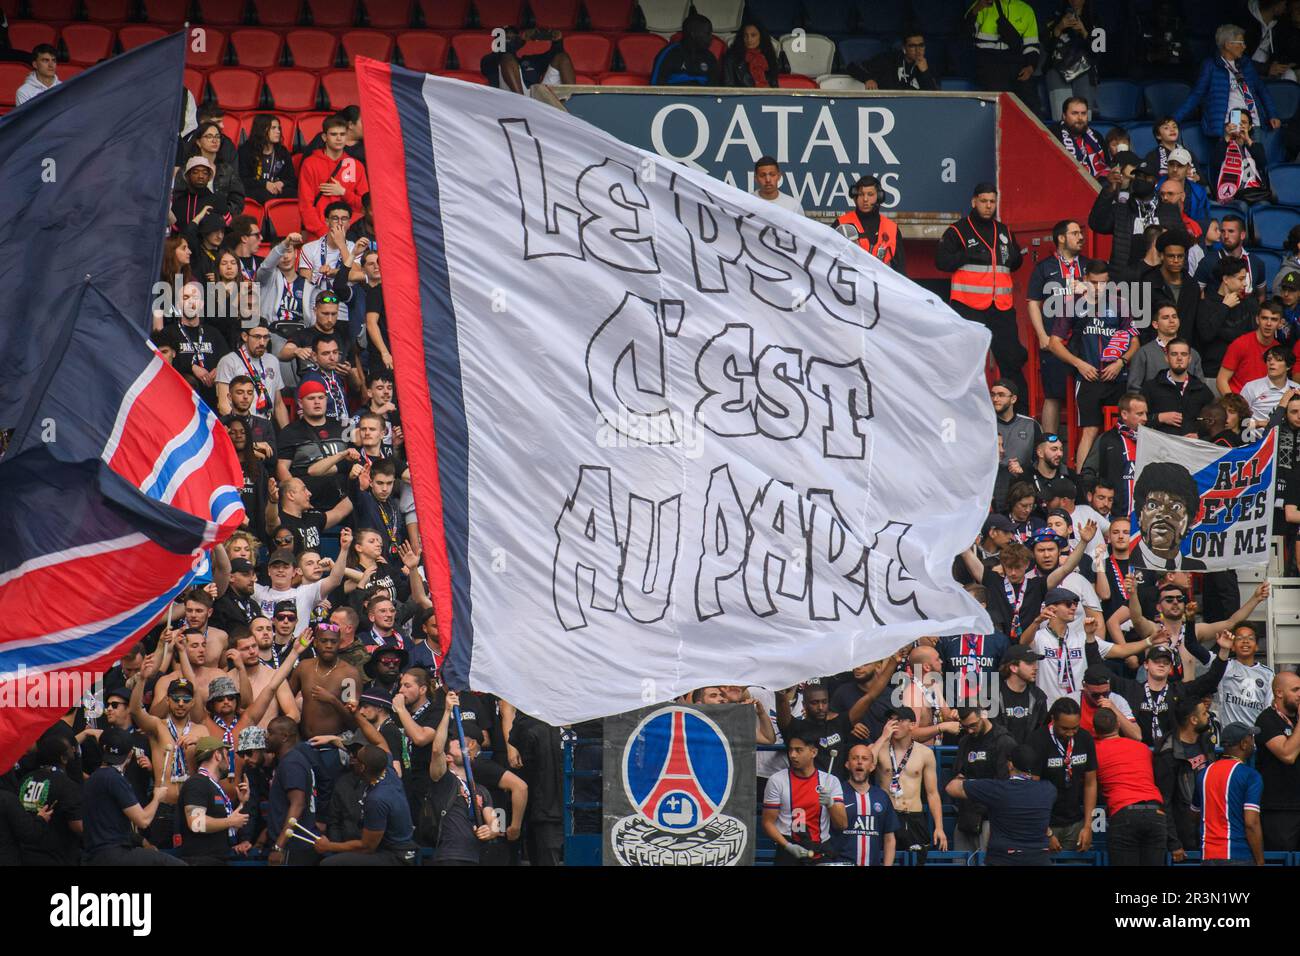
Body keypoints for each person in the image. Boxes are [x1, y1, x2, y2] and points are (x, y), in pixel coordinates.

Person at [936, 182, 1026, 396]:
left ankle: (1018, 411)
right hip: (968, 306)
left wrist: (1013, 257)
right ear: (973, 202)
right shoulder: (958, 230)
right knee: (966, 361)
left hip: (1001, 307)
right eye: (984, 201)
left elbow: (1015, 262)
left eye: (992, 202)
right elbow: (941, 262)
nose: (988, 206)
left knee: (1011, 360)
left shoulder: (1003, 231)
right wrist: (965, 255)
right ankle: (964, 407)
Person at [1048, 259, 1137, 469]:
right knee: (1090, 429)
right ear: (1085, 279)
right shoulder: (1072, 305)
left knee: (1124, 428)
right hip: (1088, 377)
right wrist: (1079, 364)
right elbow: (1054, 343)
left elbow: (1134, 341)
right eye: (1094, 283)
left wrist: (1120, 362)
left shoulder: (1120, 303)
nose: (1098, 288)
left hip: (1116, 376)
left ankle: (1121, 474)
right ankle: (1081, 480)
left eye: (1104, 283)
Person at [1018, 586, 1158, 704]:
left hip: (1079, 707)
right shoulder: (1039, 636)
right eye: (1068, 604)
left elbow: (1121, 650)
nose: (1074, 607)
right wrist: (1037, 621)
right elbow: (1022, 645)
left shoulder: (1083, 637)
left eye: (1075, 603)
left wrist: (1149, 641)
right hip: (1047, 706)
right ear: (1052, 608)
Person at [1175, 23, 1282, 173]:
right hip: (1233, 118)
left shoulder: (1245, 64)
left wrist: (1272, 114)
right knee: (1233, 165)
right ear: (1228, 45)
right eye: (1241, 43)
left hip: (1253, 119)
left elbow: (1262, 90)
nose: (1245, 47)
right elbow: (1197, 94)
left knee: (1257, 163)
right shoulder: (1211, 65)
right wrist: (1175, 119)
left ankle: (1256, 194)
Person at [81, 728, 185, 866]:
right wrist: (157, 798)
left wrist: (144, 843)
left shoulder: (93, 779)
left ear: (104, 749)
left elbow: (110, 825)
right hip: (115, 855)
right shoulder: (115, 778)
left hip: (94, 857)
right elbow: (143, 820)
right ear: (130, 754)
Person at [945, 743, 1058, 865]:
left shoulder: (997, 789)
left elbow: (951, 788)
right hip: (1039, 858)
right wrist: (1050, 834)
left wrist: (962, 778)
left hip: (1003, 858)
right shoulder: (1049, 790)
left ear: (1010, 765)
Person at [426, 690, 501, 865]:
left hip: (474, 857)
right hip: (449, 856)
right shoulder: (443, 780)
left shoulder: (481, 789)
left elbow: (495, 821)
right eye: (460, 744)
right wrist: (446, 712)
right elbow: (437, 750)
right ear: (448, 757)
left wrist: (491, 831)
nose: (467, 747)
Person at [1026, 219, 1086, 435]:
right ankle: (1049, 442)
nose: (1081, 237)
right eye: (1075, 233)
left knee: (1084, 395)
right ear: (1061, 238)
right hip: (1055, 341)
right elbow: (1033, 302)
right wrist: (1042, 335)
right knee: (1053, 395)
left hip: (1084, 341)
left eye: (1081, 233)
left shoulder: (1088, 265)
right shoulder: (1044, 267)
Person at [1091, 707, 1172, 865]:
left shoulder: (1094, 751)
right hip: (1156, 812)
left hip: (1123, 811)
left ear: (1094, 730)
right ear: (1118, 726)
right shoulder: (1142, 748)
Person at [313, 744, 418, 865]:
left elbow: (367, 847)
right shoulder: (389, 773)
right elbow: (379, 740)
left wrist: (329, 846)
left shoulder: (377, 800)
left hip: (396, 856)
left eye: (356, 758)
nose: (352, 759)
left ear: (362, 767)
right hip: (389, 849)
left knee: (329, 864)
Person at [1088, 152, 1182, 282]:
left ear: (1155, 181)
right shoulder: (1121, 209)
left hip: (1161, 279)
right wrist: (1109, 190)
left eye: (1145, 177)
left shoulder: (1169, 210)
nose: (1140, 180)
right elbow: (1096, 223)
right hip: (1125, 280)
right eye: (1138, 176)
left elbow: (1180, 243)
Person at [871, 709, 947, 861]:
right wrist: (883, 737)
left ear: (912, 725)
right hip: (887, 815)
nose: (894, 725)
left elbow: (932, 793)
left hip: (913, 817)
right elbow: (866, 766)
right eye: (891, 720)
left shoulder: (925, 753)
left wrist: (939, 827)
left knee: (917, 861)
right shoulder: (878, 748)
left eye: (899, 720)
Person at [1027, 697, 1097, 853]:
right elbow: (1032, 789)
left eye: (1075, 728)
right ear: (1053, 720)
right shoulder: (1038, 740)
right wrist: (1046, 831)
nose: (1071, 733)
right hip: (1046, 822)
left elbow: (1090, 783)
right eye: (1065, 728)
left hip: (1075, 822)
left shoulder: (1085, 738)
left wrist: (1088, 826)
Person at [1153, 697, 1216, 859]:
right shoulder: (1168, 753)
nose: (1208, 716)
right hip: (1184, 833)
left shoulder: (1206, 743)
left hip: (1208, 830)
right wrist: (1174, 843)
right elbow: (1164, 802)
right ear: (1193, 720)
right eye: (1204, 713)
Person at [1194, 722, 1266, 864]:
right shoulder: (1250, 775)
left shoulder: (1203, 774)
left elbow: (1195, 813)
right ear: (1244, 744)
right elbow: (1251, 823)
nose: (1253, 743)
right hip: (1238, 854)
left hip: (1208, 855)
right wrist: (1260, 860)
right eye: (1251, 738)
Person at [948, 706, 1015, 852]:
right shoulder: (965, 741)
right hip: (966, 815)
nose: (970, 730)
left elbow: (1004, 786)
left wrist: (972, 784)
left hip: (991, 818)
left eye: (973, 725)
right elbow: (958, 776)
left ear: (983, 715)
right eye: (965, 727)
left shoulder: (1003, 741)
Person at [179, 737, 250, 865]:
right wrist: (229, 821)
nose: (229, 760)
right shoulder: (197, 783)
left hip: (216, 859)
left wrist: (242, 803)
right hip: (200, 861)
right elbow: (196, 823)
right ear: (217, 755)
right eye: (227, 755)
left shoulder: (211, 785)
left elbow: (228, 823)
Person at [1126, 461, 1208, 572]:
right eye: (1153, 505)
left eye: (1175, 507)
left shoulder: (1197, 568)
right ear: (1140, 515)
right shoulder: (1128, 564)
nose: (1163, 514)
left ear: (1191, 519)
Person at [298, 115, 370, 239]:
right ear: (324, 137)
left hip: (350, 236)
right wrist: (324, 234)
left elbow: (365, 206)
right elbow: (306, 206)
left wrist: (343, 192)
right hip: (319, 236)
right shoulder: (310, 164)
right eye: (334, 134)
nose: (338, 138)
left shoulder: (357, 166)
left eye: (342, 134)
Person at [966, 0, 1042, 111]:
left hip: (1015, 62)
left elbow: (1032, 44)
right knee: (1001, 95)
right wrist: (977, 9)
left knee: (1030, 99)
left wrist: (1030, 67)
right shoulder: (982, 3)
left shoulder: (1026, 10)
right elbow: (965, 32)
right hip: (988, 60)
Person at [265, 715, 320, 866]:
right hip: (295, 845)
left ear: (284, 737)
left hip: (294, 847)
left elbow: (298, 804)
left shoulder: (292, 763)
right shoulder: (292, 760)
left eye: (270, 733)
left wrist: (279, 846)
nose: (266, 737)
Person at [1255, 670, 1300, 850]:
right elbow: (1287, 755)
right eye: (1296, 690)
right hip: (1279, 809)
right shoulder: (1266, 720)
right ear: (1279, 693)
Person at [832, 744, 898, 865]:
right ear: (847, 764)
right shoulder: (837, 792)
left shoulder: (882, 796)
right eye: (855, 758)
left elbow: (889, 838)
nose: (859, 762)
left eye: (864, 758)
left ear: (872, 766)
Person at [1142, 339, 1214, 438]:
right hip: (1161, 449)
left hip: (1191, 449)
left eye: (1184, 354)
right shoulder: (1150, 387)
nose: (1179, 358)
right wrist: (1159, 417)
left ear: (1189, 359)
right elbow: (1136, 419)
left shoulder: (1202, 389)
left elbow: (1215, 422)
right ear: (1167, 358)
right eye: (1174, 354)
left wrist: (1199, 436)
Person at [835, 175, 904, 274]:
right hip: (849, 286)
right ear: (855, 197)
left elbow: (901, 273)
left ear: (879, 197)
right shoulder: (841, 224)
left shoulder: (892, 229)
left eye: (870, 194)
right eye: (861, 194)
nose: (865, 199)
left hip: (881, 287)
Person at [1217, 301, 1287, 395]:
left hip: (1264, 404)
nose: (1268, 323)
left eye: (1274, 319)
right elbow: (1221, 380)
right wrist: (1233, 407)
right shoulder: (1240, 343)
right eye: (1264, 318)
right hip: (1239, 402)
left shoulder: (1279, 349)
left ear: (1280, 323)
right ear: (1257, 320)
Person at [1215, 623, 1276, 729]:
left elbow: (1268, 710)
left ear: (1257, 646)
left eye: (1250, 638)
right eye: (1240, 638)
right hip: (1229, 739)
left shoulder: (1268, 674)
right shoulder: (1223, 665)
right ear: (1232, 646)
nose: (1245, 641)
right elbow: (1195, 648)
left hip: (1254, 738)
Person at [1044, 0, 1099, 116]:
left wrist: (1084, 31)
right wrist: (1058, 28)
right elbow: (1045, 47)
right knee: (1061, 116)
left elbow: (1100, 50)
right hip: (1057, 70)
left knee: (1083, 117)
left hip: (1085, 71)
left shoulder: (1095, 18)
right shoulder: (1056, 15)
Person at [481, 27, 576, 92]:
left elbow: (554, 55)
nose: (509, 41)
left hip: (536, 97)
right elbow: (504, 54)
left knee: (562, 58)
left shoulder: (529, 60)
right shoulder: (490, 60)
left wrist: (557, 41)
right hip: (511, 99)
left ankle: (574, 102)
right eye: (506, 38)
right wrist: (521, 39)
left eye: (513, 37)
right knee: (507, 59)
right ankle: (523, 103)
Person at [1195, 213, 1268, 295]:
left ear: (1242, 235)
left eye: (1231, 231)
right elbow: (1195, 294)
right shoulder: (1208, 262)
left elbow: (1261, 296)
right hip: (1217, 306)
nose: (1225, 236)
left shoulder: (1256, 263)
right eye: (1223, 231)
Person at [846, 30, 938, 90]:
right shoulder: (888, 60)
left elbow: (934, 97)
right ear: (904, 48)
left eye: (921, 45)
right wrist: (868, 79)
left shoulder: (927, 66)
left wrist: (925, 72)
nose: (918, 50)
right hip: (889, 105)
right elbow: (852, 67)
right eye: (912, 46)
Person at [994, 645, 1049, 744]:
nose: (1036, 667)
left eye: (1035, 663)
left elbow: (1042, 732)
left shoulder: (1039, 696)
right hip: (999, 755)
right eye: (1029, 663)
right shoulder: (992, 695)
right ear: (1014, 668)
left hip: (1028, 756)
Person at [238, 113, 296, 204]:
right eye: (273, 128)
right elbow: (243, 180)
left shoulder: (282, 152)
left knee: (294, 194)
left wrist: (282, 183)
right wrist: (265, 184)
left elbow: (292, 179)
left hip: (277, 190)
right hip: (256, 190)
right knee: (265, 195)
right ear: (261, 130)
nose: (278, 131)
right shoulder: (246, 151)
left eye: (278, 128)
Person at [650, 12, 719, 86]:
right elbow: (656, 87)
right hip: (673, 97)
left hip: (702, 97)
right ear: (693, 34)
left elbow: (714, 90)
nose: (711, 38)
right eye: (707, 33)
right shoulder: (669, 54)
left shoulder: (710, 58)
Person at [1241, 342, 1300, 428]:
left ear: (1288, 366)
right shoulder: (1251, 387)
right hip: (1256, 439)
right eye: (1269, 360)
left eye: (1278, 360)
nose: (1271, 363)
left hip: (1286, 439)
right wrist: (1259, 424)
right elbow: (1240, 421)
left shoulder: (1297, 389)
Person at [1053, 96, 1110, 179]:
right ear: (1064, 116)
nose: (1080, 118)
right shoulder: (1054, 135)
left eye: (1083, 113)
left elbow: (1107, 164)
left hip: (1101, 186)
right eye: (1074, 113)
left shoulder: (1096, 136)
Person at [720, 18, 781, 88]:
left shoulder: (768, 56)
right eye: (745, 35)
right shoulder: (732, 58)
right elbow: (728, 87)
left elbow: (774, 85)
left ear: (761, 37)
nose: (749, 39)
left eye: (753, 35)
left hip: (768, 96)